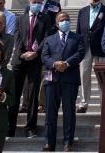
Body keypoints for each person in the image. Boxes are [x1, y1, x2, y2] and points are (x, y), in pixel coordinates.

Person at [10, 0, 53, 138]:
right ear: (29, 3)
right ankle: (11, 126)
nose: (36, 5)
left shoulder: (46, 19)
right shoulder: (19, 19)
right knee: (15, 94)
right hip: (19, 60)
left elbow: (46, 37)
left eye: (39, 3)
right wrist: (22, 53)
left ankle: (31, 127)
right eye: (34, 2)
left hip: (35, 61)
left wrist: (36, 53)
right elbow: (17, 37)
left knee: (33, 94)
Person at [41, 11, 85, 152]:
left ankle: (68, 142)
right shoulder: (49, 39)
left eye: (66, 19)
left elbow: (80, 53)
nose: (64, 21)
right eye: (61, 19)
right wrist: (55, 64)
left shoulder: (77, 38)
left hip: (69, 78)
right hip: (51, 78)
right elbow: (44, 56)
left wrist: (66, 63)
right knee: (50, 112)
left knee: (69, 112)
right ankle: (49, 142)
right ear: (56, 23)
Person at [75, 0, 105, 113]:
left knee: (101, 76)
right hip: (85, 47)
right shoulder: (83, 11)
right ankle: (83, 103)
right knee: (84, 75)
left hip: (101, 48)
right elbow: (79, 31)